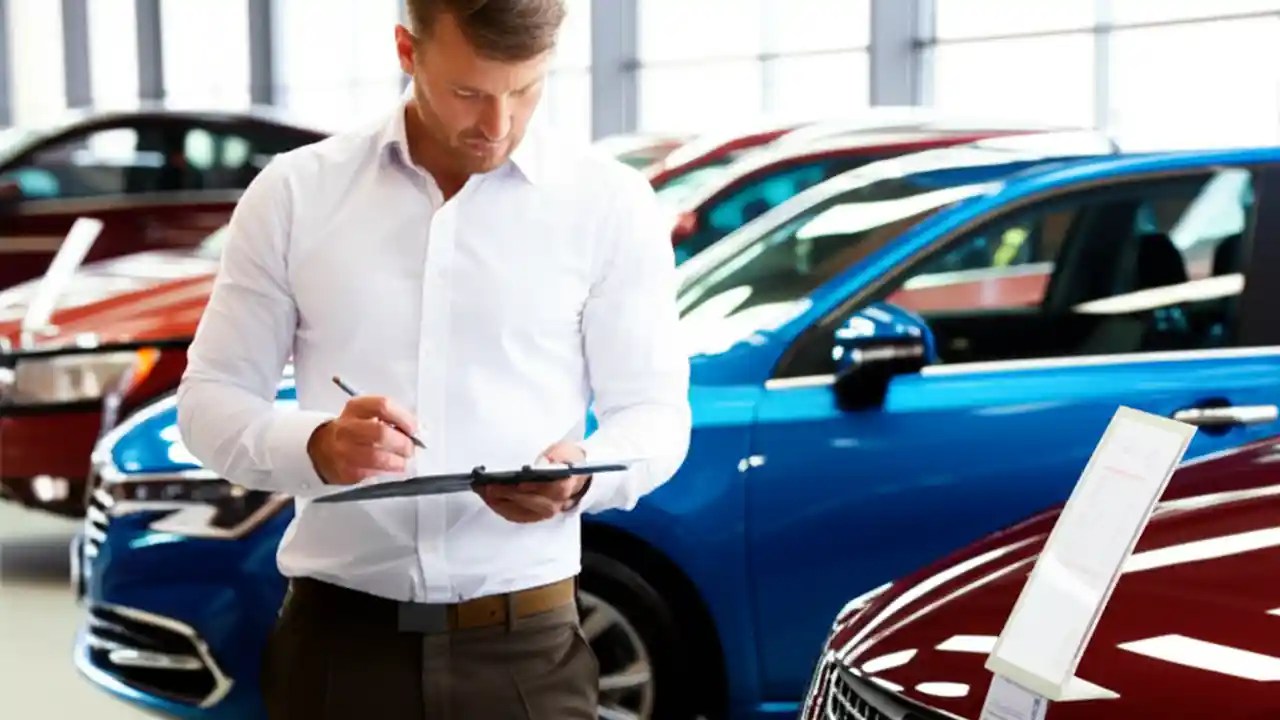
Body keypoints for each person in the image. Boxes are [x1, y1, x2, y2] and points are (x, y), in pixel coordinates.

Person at [174, 0, 692, 717]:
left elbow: (656, 415)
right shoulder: (296, 193)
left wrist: (580, 481)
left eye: (526, 89)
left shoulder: (610, 204)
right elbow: (210, 400)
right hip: (338, 649)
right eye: (469, 92)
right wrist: (317, 444)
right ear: (406, 51)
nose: (498, 124)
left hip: (528, 655)